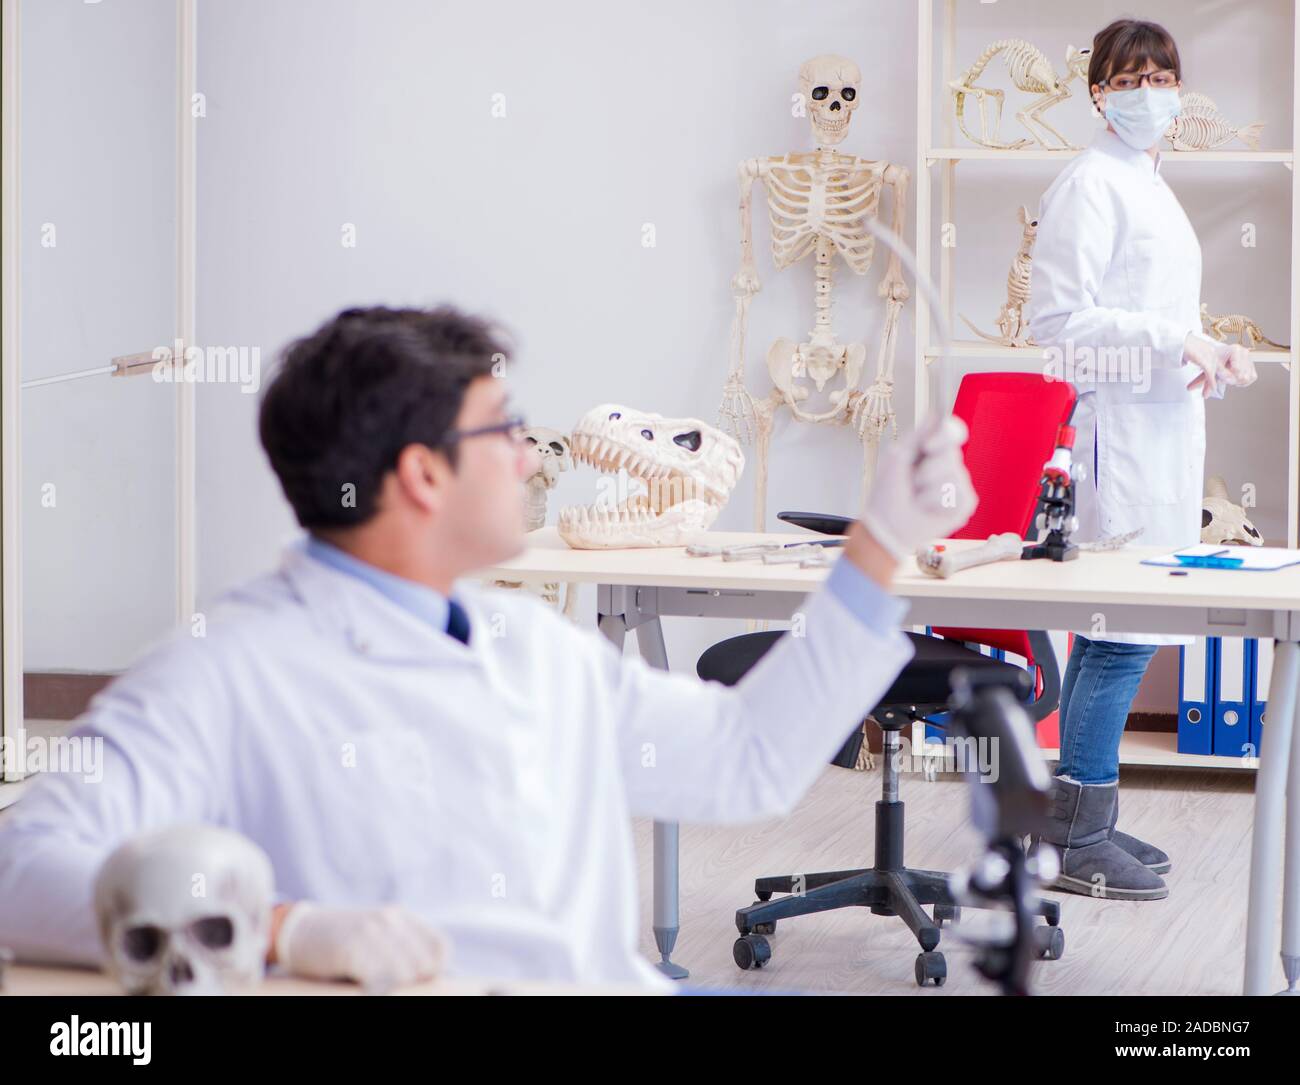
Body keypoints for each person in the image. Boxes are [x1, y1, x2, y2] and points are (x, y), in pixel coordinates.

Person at [0, 305, 976, 990]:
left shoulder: (524, 637)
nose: (527, 452)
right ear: (423, 473)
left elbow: (743, 760)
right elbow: (21, 870)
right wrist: (284, 930)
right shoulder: (224, 670)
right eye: (503, 429)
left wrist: (876, 548)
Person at [1026, 18, 1258, 901]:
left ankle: (1080, 820)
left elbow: (1159, 314)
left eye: (1164, 75)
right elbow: (1056, 328)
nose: (1150, 91)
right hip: (1116, 435)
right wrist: (1176, 339)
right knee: (1119, 637)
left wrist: (1204, 358)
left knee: (1109, 630)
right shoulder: (1090, 182)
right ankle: (1080, 832)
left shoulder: (1153, 184)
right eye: (1132, 78)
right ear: (1098, 93)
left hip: (1160, 424)